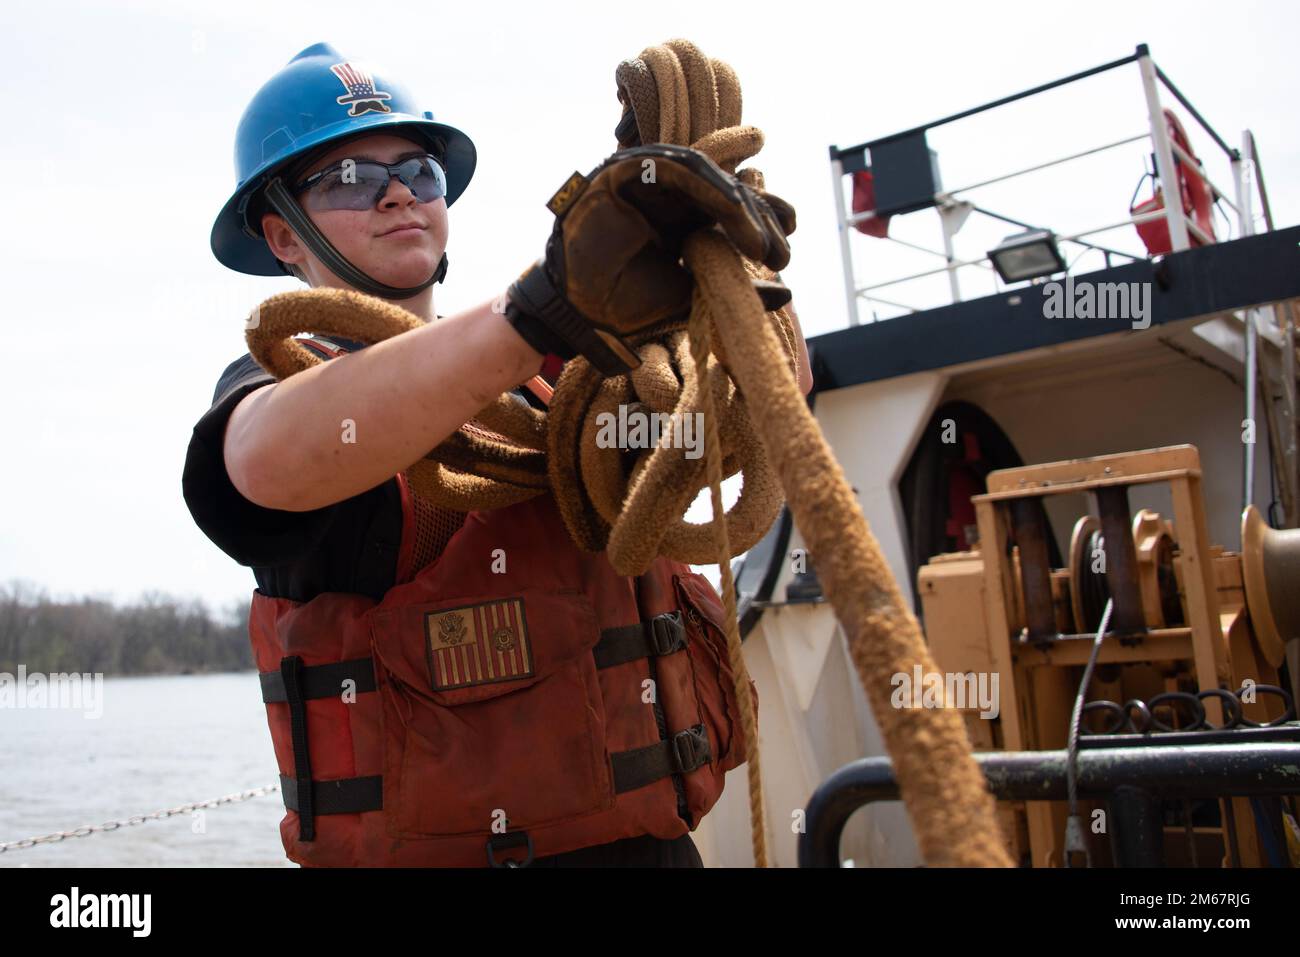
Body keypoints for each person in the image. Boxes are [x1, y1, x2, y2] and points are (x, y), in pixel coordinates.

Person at [183, 42, 812, 868]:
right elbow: (259, 463)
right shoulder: (287, 382)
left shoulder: (558, 385)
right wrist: (545, 307)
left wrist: (720, 265)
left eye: (419, 171)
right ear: (281, 234)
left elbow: (763, 404)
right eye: (351, 180)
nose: (399, 192)